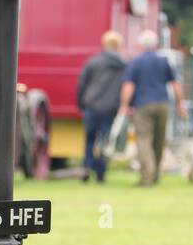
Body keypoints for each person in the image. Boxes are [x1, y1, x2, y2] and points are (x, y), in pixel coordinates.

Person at [118, 30, 185, 186]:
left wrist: (124, 105)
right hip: (163, 104)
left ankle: (147, 177)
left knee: (143, 140)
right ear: (155, 44)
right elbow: (175, 84)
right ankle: (155, 175)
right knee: (159, 141)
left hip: (143, 104)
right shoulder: (164, 61)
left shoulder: (136, 62)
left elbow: (129, 86)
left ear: (141, 45)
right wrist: (180, 105)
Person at [76, 30, 125, 183]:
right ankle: (100, 173)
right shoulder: (124, 65)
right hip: (111, 108)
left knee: (89, 139)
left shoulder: (93, 62)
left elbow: (82, 84)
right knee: (104, 141)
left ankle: (86, 167)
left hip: (91, 105)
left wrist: (81, 103)